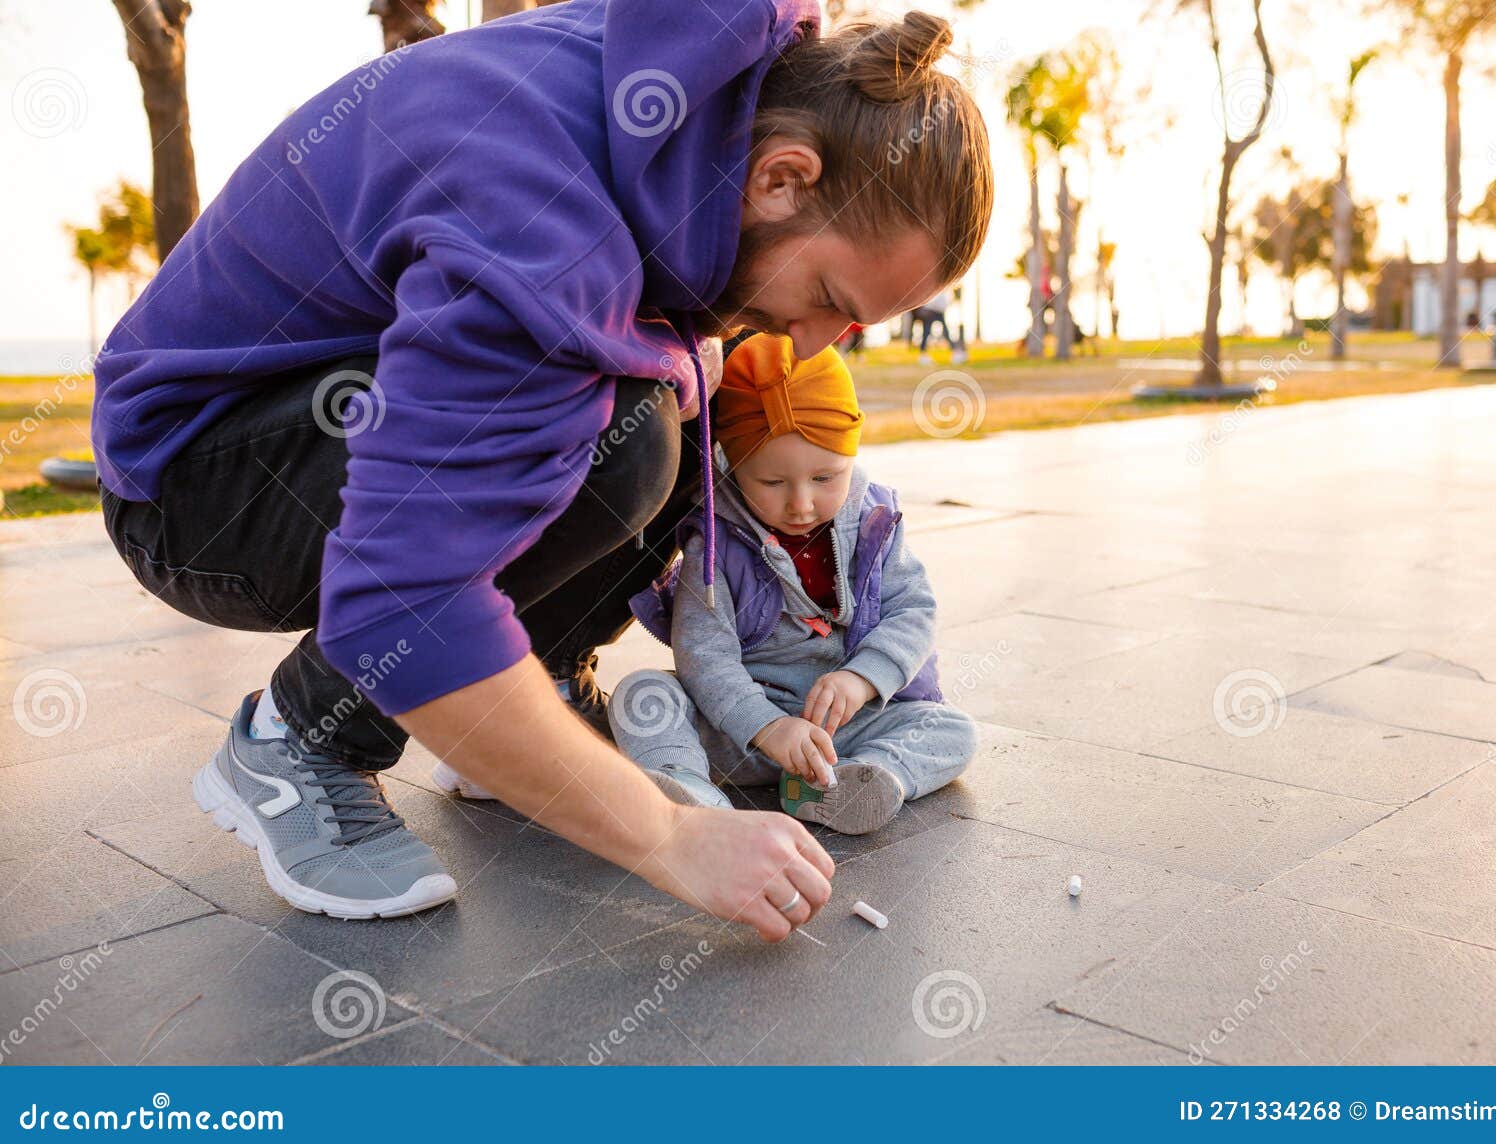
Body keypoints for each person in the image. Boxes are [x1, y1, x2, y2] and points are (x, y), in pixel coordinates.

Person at [89, 0, 992, 941]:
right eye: (827, 300)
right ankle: (298, 740)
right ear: (781, 177)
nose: (814, 346)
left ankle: (532, 693)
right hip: (192, 483)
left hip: (314, 401)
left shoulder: (703, 80)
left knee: (690, 401)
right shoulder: (545, 228)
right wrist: (671, 837)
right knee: (633, 429)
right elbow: (400, 599)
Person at [604, 334, 977, 834]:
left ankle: (843, 785)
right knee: (640, 693)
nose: (801, 504)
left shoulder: (875, 519)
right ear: (732, 466)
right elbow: (702, 653)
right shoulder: (715, 540)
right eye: (773, 484)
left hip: (844, 733)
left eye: (826, 477)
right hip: (738, 732)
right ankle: (688, 787)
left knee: (951, 729)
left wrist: (862, 678)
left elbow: (913, 609)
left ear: (852, 450)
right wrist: (765, 726)